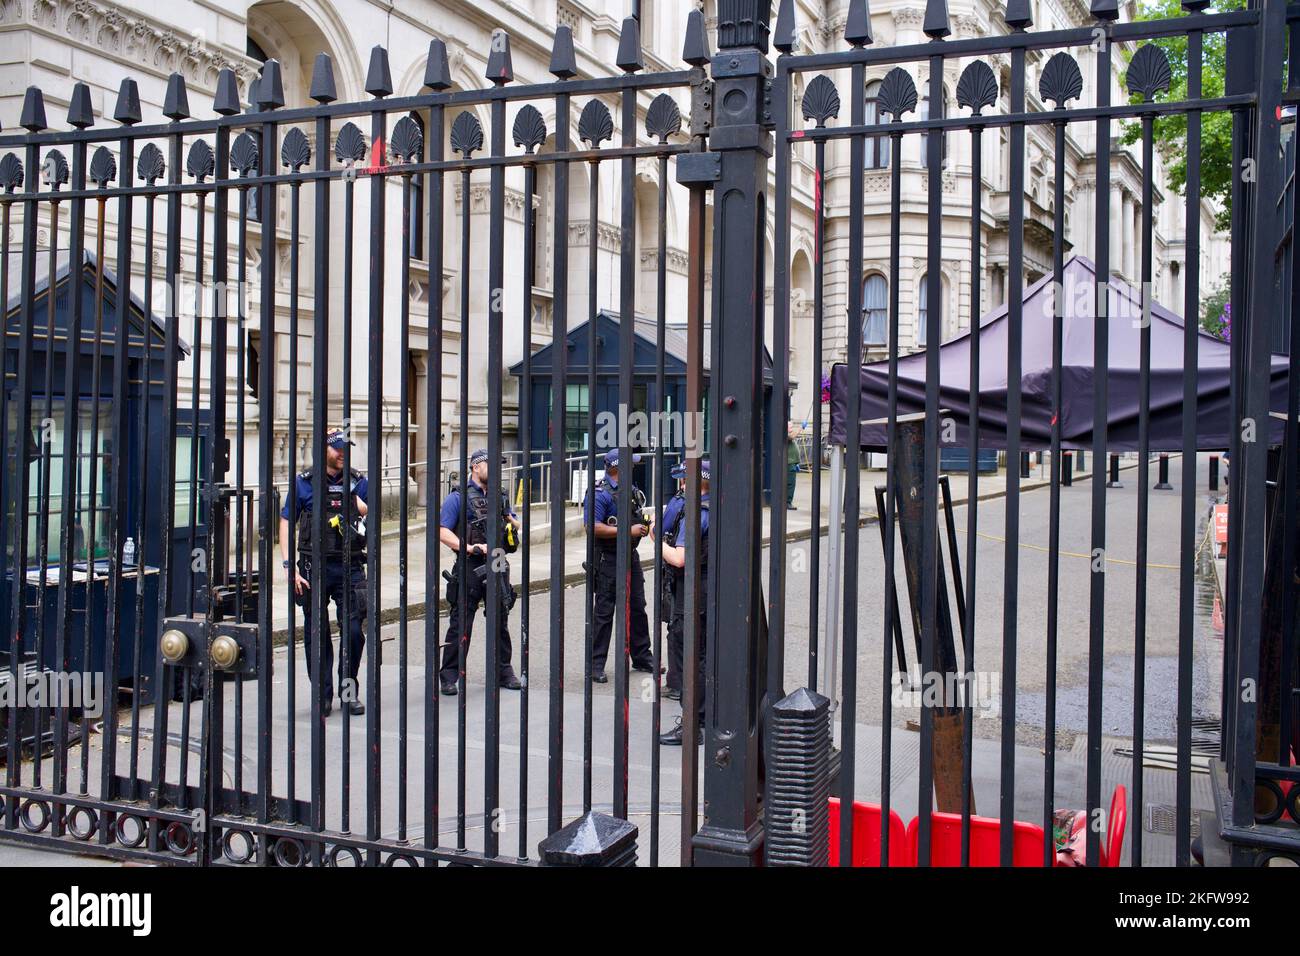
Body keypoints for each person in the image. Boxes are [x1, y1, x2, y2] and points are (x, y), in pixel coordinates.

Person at [280, 427, 368, 717]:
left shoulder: (357, 481)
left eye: (346, 448)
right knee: (317, 634)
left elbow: (370, 512)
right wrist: (288, 566)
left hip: (350, 566)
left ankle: (348, 692)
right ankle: (323, 694)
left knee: (354, 632)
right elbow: (286, 522)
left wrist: (353, 502)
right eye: (337, 448)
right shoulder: (304, 483)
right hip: (311, 568)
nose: (343, 453)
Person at [438, 448, 523, 696]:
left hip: (497, 564)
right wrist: (469, 546)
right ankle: (449, 676)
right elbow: (442, 531)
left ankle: (503, 672)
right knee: (461, 622)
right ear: (476, 467)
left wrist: (511, 522)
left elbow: (516, 523)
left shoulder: (500, 495)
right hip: (469, 565)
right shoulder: (458, 497)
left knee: (500, 621)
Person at [585, 449, 656, 683]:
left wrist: (643, 525)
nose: (634, 466)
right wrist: (628, 530)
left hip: (630, 555)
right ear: (617, 466)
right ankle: (595, 665)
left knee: (637, 606)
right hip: (608, 557)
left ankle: (642, 656)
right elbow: (592, 527)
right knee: (604, 612)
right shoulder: (599, 493)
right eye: (630, 463)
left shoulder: (631, 490)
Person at [658, 459, 710, 746]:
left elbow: (679, 558)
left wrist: (657, 543)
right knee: (703, 654)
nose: (681, 484)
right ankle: (705, 717)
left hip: (691, 590)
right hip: (708, 587)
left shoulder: (695, 513)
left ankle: (693, 723)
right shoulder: (718, 505)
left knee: (690, 655)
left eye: (684, 479)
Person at [656, 461, 687, 701]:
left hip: (680, 574)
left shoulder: (679, 503)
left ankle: (677, 683)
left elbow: (661, 529)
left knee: (677, 628)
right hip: (706, 576)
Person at [786, 421, 804, 510]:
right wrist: (801, 428)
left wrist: (797, 463)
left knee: (790, 483)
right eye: (790, 427)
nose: (791, 429)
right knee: (790, 484)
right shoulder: (786, 435)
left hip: (792, 463)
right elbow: (792, 436)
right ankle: (787, 502)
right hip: (789, 464)